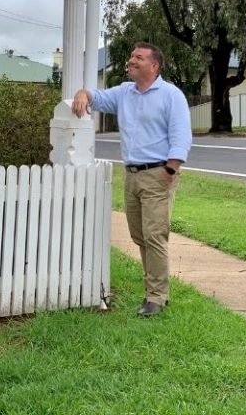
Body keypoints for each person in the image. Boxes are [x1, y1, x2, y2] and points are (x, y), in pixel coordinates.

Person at [72, 42, 192, 317]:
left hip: (158, 174)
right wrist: (83, 93)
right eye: (131, 57)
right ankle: (154, 290)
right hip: (131, 175)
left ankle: (157, 297)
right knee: (140, 236)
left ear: (154, 65)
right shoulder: (125, 93)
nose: (131, 60)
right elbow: (97, 97)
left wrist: (170, 171)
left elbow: (181, 136)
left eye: (138, 57)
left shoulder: (171, 95)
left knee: (154, 236)